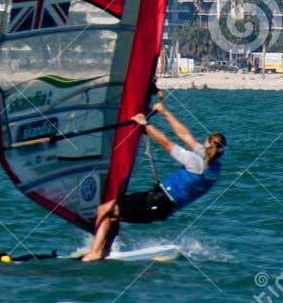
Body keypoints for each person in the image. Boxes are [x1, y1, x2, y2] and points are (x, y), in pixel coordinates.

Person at [80, 99, 225, 261]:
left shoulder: (196, 162)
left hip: (155, 201)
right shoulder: (216, 168)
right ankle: (103, 250)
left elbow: (166, 143)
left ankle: (94, 253)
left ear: (206, 144)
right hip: (165, 209)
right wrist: (165, 112)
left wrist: (145, 124)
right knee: (114, 216)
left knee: (104, 210)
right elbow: (185, 135)